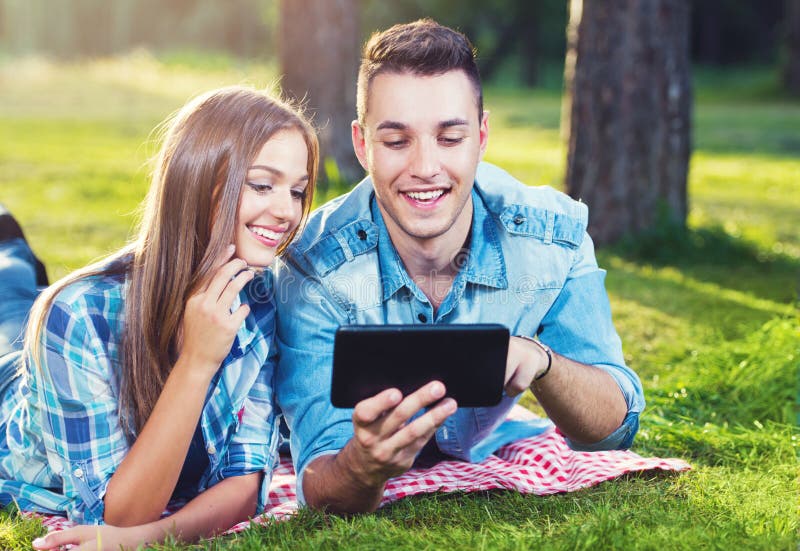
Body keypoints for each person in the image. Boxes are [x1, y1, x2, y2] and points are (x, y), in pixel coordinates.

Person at [273, 19, 645, 514]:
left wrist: (541, 360)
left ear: (481, 136)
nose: (425, 168)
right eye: (396, 141)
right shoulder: (313, 268)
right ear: (362, 146)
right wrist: (361, 466)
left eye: (450, 138)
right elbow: (320, 482)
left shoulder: (552, 237)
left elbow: (612, 429)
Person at [0, 86, 318, 549]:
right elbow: (115, 514)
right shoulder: (77, 314)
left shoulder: (261, 299)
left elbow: (245, 484)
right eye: (262, 185)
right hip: (14, 392)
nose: (287, 211)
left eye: (298, 191)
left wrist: (145, 539)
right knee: (12, 297)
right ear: (198, 181)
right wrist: (198, 361)